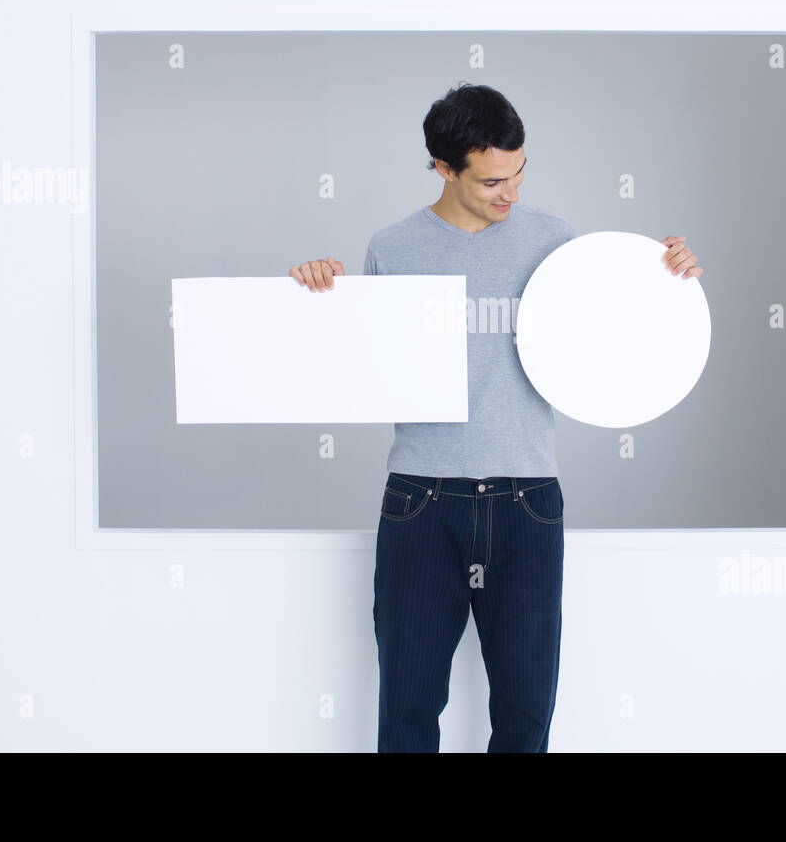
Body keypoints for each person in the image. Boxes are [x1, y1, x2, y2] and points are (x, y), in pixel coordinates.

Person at [288, 83, 702, 752]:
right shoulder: (392, 249)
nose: (509, 194)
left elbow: (616, 332)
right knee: (406, 712)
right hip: (421, 503)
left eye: (518, 173)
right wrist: (316, 293)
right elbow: (352, 366)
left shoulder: (554, 240)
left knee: (525, 718)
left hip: (527, 502)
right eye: (490, 181)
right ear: (444, 169)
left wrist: (664, 275)